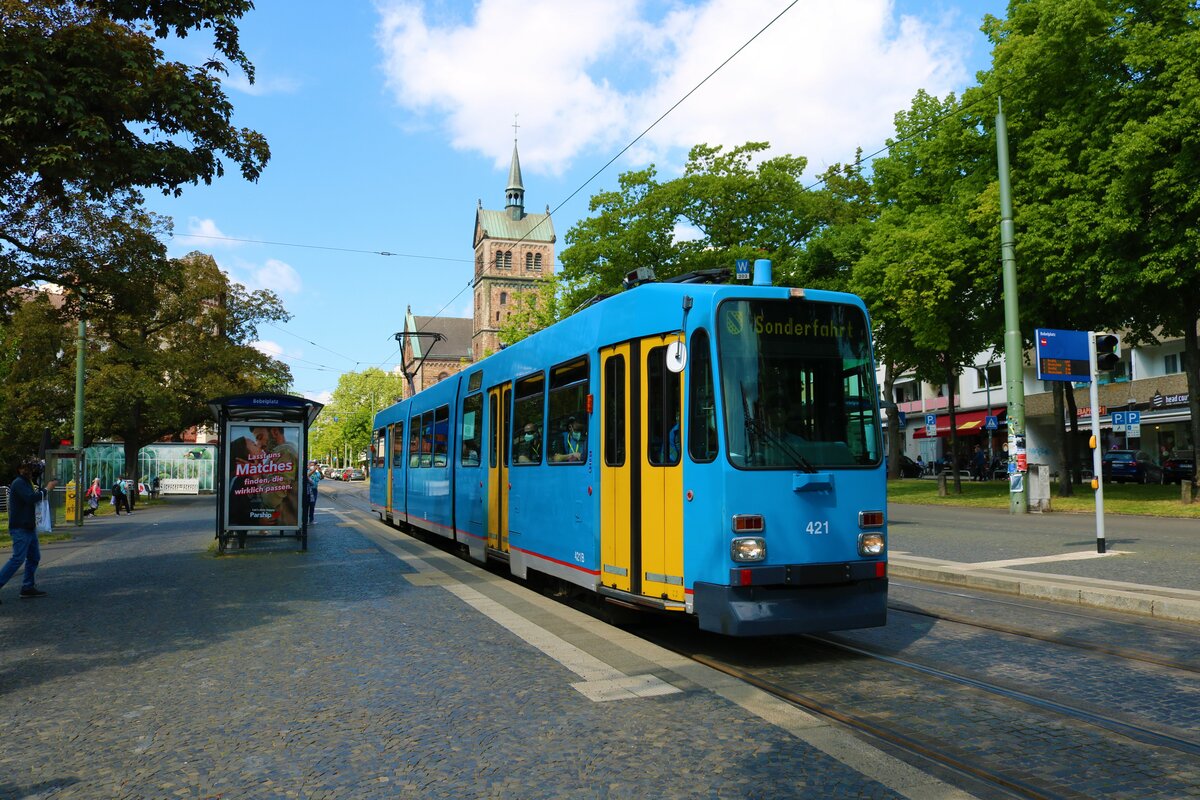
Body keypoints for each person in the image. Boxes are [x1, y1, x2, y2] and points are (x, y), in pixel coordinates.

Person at [1, 457, 57, 601]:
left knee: (33, 557)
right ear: (19, 469)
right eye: (26, 468)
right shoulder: (19, 483)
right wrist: (47, 490)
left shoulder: (26, 482)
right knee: (18, 558)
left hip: (27, 526)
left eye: (31, 468)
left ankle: (27, 587)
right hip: (20, 526)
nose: (30, 471)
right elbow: (30, 498)